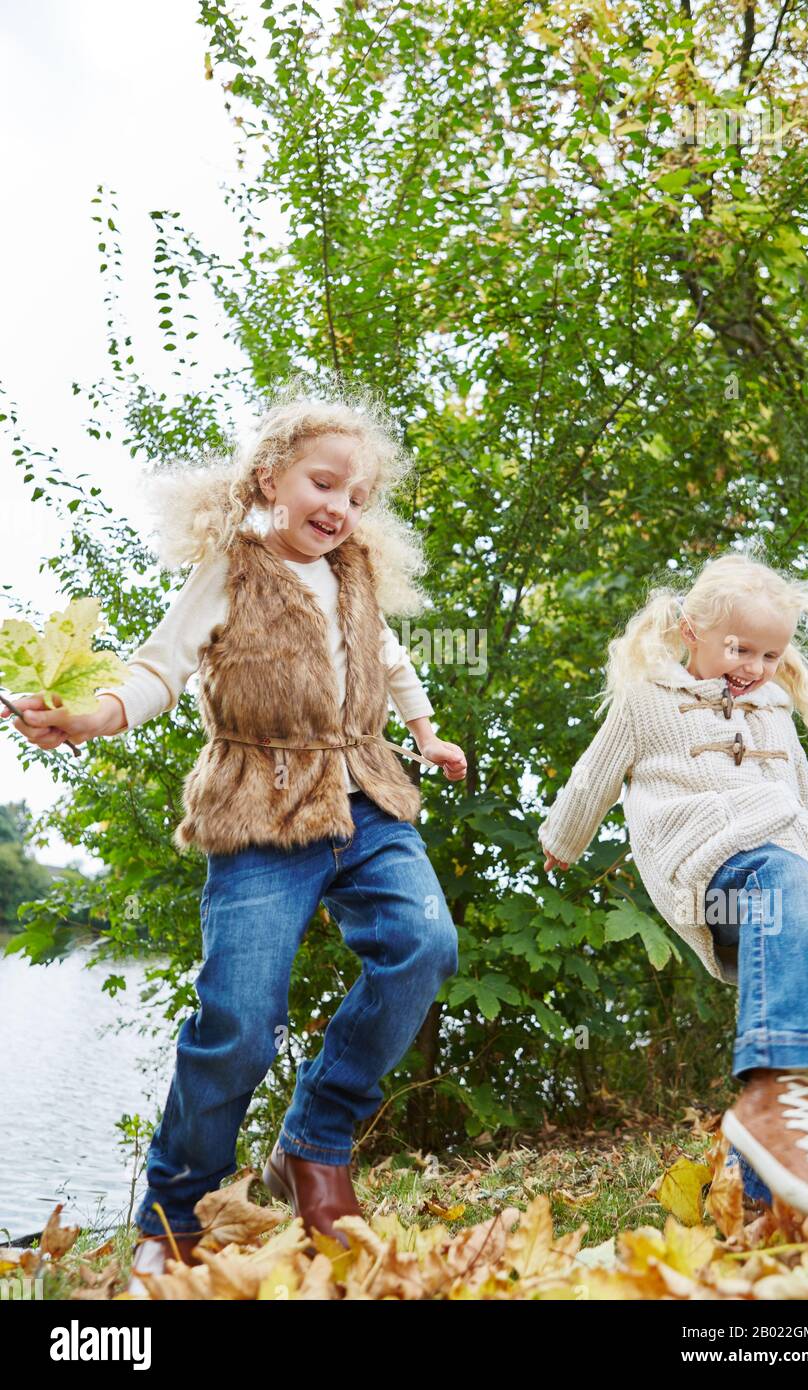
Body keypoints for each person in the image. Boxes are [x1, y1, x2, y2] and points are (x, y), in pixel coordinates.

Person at [7, 378, 466, 1293]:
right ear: (267, 479)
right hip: (261, 808)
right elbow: (156, 669)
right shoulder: (231, 569)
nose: (339, 508)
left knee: (424, 945)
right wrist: (94, 716)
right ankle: (175, 1214)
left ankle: (314, 1148)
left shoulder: (354, 575)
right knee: (239, 1021)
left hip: (366, 796)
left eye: (356, 497)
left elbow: (389, 657)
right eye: (324, 484)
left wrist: (422, 730)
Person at [537, 542, 808, 1231]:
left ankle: (761, 1195)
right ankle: (781, 1111)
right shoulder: (647, 701)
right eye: (741, 650)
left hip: (785, 879)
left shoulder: (774, 713)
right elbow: (593, 777)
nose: (755, 669)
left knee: (773, 983)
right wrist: (561, 842)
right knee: (784, 880)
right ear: (693, 631)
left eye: (771, 657)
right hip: (706, 863)